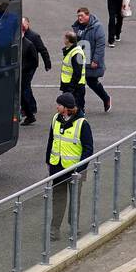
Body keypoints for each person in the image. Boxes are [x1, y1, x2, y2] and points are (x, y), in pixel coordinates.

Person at [47, 93, 94, 242]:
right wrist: (48, 160)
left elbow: (88, 149)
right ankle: (54, 231)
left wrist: (80, 168)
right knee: (58, 200)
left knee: (75, 200)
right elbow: (51, 140)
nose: (57, 107)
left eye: (59, 105)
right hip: (57, 168)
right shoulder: (56, 119)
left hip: (75, 171)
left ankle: (74, 228)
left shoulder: (82, 124)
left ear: (66, 108)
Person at [72, 7, 111, 112]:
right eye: (78, 16)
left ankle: (106, 98)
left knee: (92, 82)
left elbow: (100, 45)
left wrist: (96, 60)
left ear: (88, 15)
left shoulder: (97, 27)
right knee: (79, 85)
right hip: (80, 60)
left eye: (82, 16)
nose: (80, 18)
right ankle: (80, 108)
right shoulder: (76, 27)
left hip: (91, 60)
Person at [20, 18, 52, 126]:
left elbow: (43, 50)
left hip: (30, 66)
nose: (22, 25)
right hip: (22, 66)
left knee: (25, 87)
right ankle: (31, 107)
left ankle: (29, 108)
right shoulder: (17, 35)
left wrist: (47, 64)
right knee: (25, 87)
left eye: (24, 23)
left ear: (28, 23)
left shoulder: (34, 36)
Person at [59, 32, 87, 111]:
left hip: (74, 86)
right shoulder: (71, 50)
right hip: (70, 84)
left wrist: (71, 87)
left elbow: (77, 73)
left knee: (76, 109)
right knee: (69, 108)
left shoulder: (76, 53)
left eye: (65, 38)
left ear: (68, 40)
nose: (63, 40)